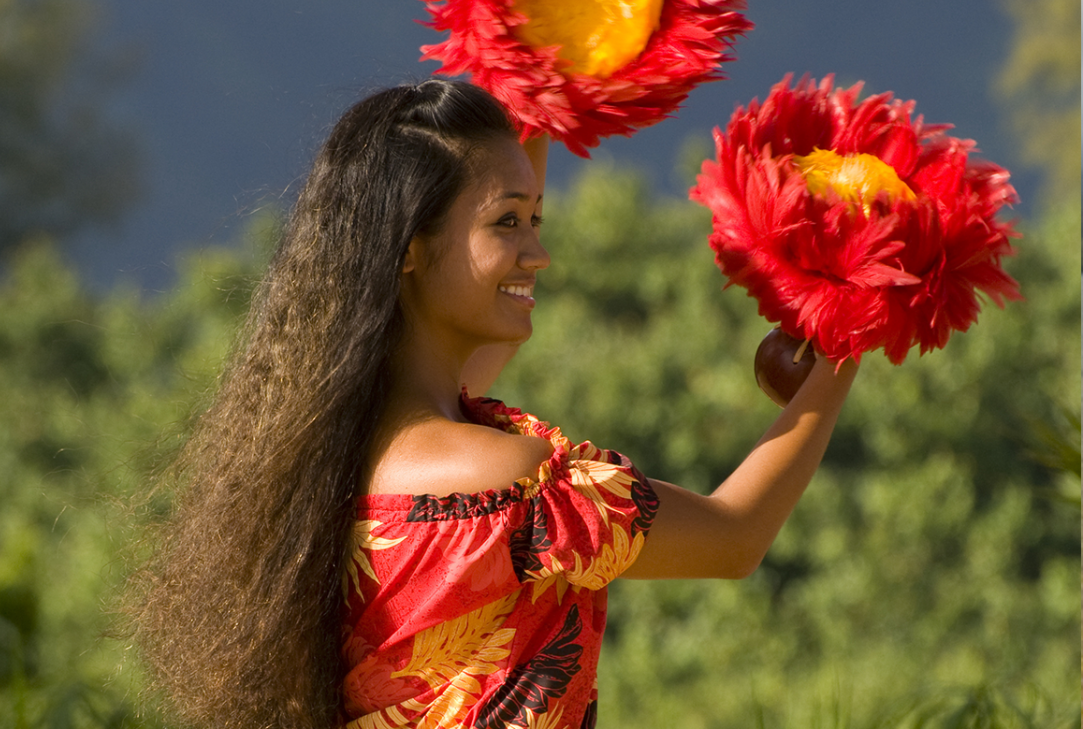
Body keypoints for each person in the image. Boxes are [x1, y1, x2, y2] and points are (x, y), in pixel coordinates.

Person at [128, 79, 857, 729]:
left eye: (536, 219)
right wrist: (849, 326)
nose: (537, 251)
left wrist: (536, 87)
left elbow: (472, 329)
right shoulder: (508, 482)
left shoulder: (333, 449)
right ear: (410, 246)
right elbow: (733, 536)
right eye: (509, 223)